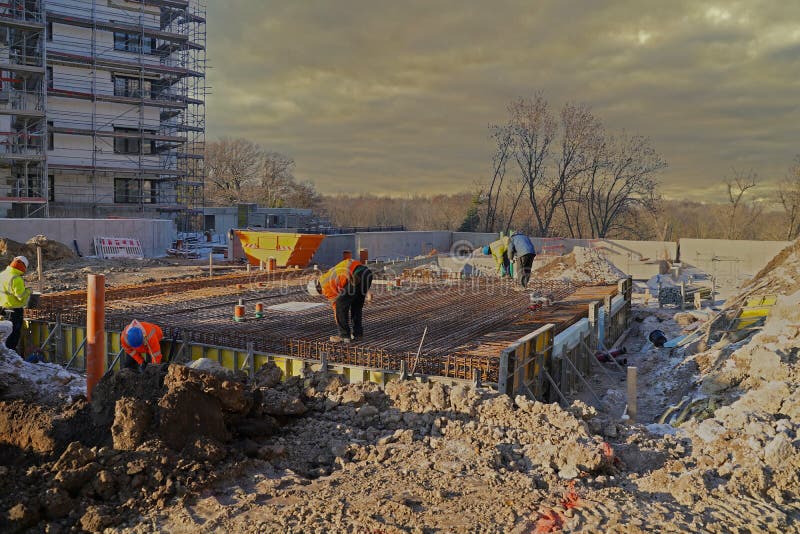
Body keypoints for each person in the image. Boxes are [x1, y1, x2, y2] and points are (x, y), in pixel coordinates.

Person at [307, 257, 373, 343]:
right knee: (356, 307)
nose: (322, 294)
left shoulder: (325, 286)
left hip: (355, 276)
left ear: (318, 290)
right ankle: (358, 334)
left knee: (340, 305)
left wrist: (339, 320)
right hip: (366, 273)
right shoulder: (327, 276)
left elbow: (336, 306)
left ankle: (344, 336)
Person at [0, 256, 31, 352]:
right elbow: (20, 296)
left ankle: (5, 356)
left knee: (4, 336)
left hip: (2, 309)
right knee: (13, 337)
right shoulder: (16, 279)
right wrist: (28, 291)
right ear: (23, 267)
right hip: (14, 311)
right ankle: (11, 358)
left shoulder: (3, 275)